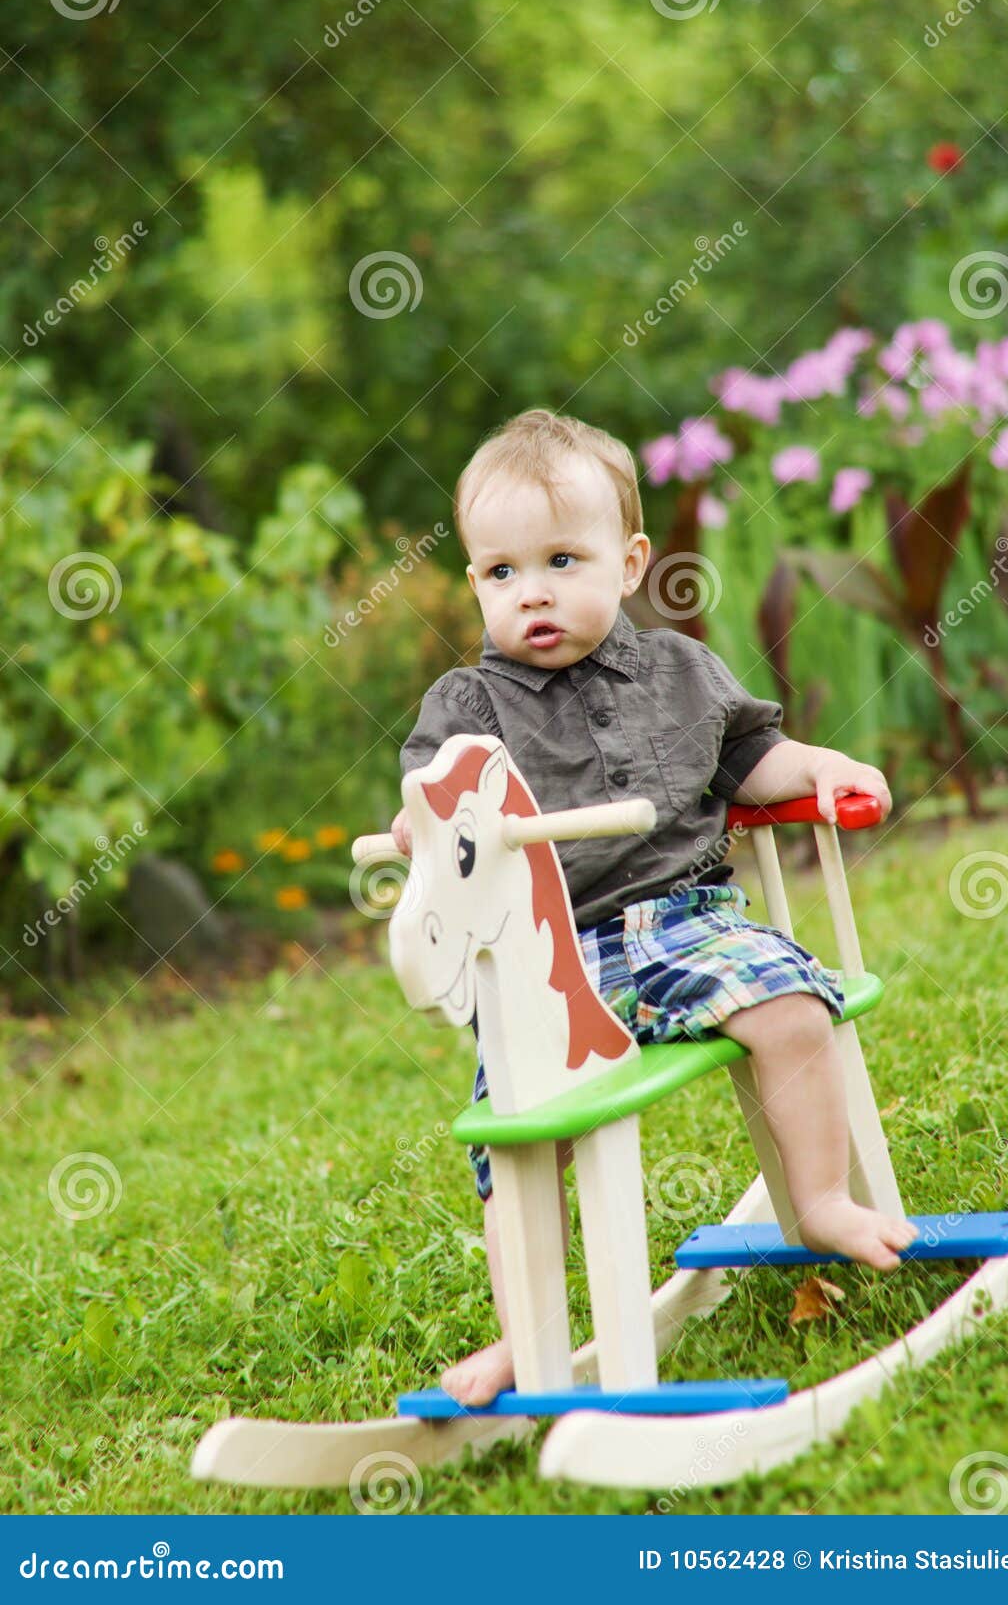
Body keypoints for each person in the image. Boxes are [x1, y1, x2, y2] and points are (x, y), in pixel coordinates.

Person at [393, 407, 914, 1406]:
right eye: (501, 572)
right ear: (474, 583)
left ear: (629, 563)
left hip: (688, 923)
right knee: (518, 1140)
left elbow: (753, 759)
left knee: (792, 1009)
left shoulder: (680, 671)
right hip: (554, 959)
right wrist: (422, 826)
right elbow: (437, 802)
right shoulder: (466, 707)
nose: (532, 591)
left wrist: (822, 766)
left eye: (561, 561)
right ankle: (525, 1338)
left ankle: (820, 1201)